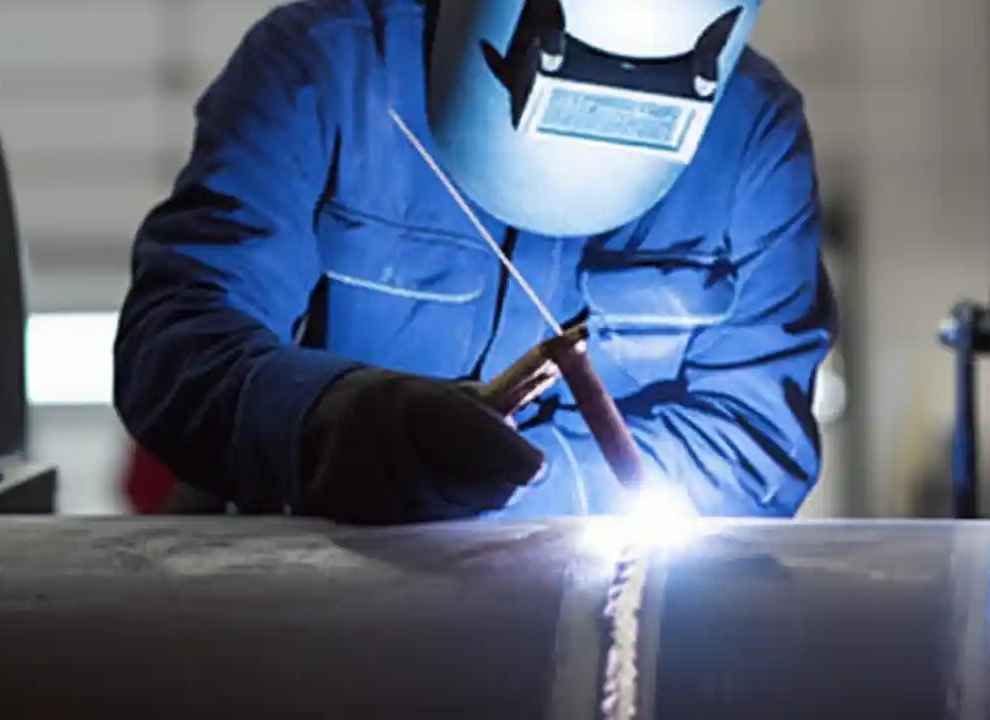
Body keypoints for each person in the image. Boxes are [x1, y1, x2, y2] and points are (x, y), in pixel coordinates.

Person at [114, 0, 837, 524]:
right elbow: (174, 341)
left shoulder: (750, 135)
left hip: (590, 620)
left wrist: (520, 489)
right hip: (313, 602)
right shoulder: (328, 66)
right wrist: (334, 420)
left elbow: (754, 439)